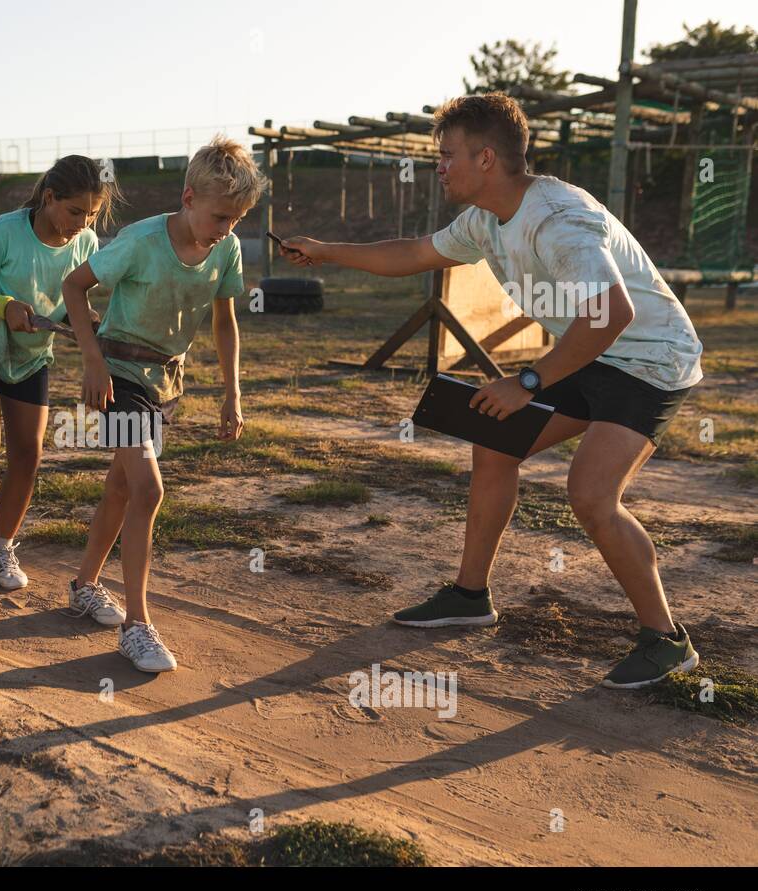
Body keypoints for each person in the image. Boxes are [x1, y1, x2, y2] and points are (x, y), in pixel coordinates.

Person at [281, 92, 704, 690]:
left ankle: (667, 640)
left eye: (447, 154)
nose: (439, 166)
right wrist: (327, 251)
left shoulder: (560, 220)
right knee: (494, 442)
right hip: (593, 349)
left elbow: (611, 313)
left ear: (485, 158)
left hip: (651, 357)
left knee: (590, 493)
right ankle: (469, 595)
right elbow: (414, 253)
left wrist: (528, 381)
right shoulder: (485, 219)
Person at [62, 135, 265, 672]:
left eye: (237, 219)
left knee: (123, 486)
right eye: (221, 215)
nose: (227, 229)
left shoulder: (227, 248)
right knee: (149, 489)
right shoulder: (141, 240)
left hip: (164, 383)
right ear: (189, 196)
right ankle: (137, 626)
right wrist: (91, 361)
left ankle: (83, 585)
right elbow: (74, 286)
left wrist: (232, 394)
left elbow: (225, 321)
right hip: (119, 376)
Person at [0, 155, 120, 591]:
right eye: (75, 211)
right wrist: (2, 306)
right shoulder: (5, 230)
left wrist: (87, 320)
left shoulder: (86, 242)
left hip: (32, 356)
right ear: (50, 197)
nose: (82, 222)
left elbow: (75, 298)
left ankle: (1, 549)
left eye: (91, 214)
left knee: (29, 455)